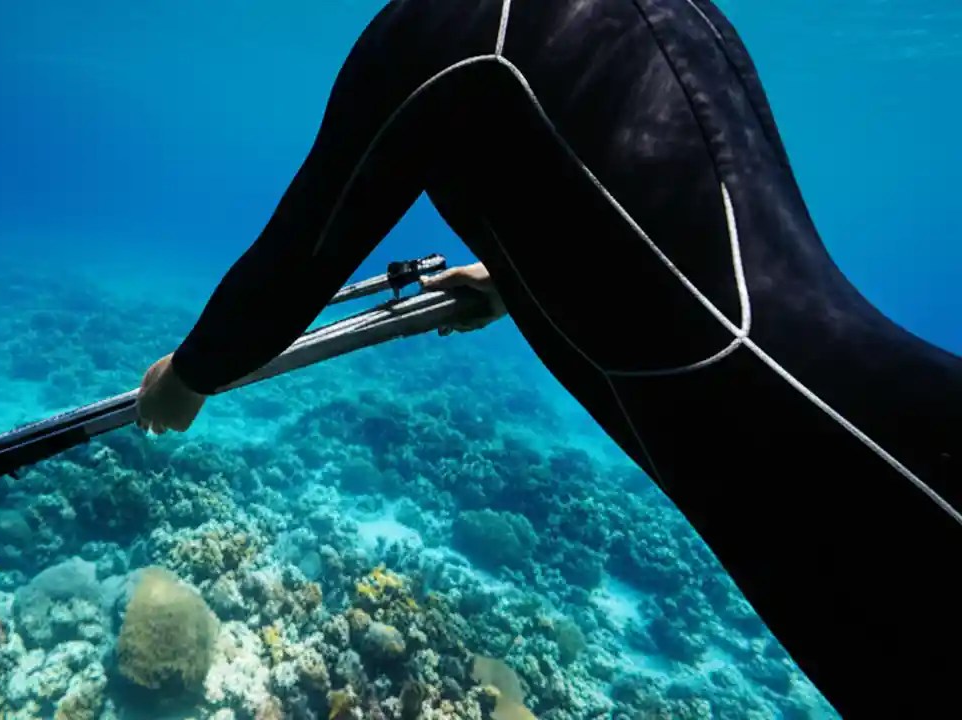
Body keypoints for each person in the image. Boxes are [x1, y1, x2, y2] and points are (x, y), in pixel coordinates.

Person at [135, 0, 961, 714]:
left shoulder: (448, 26)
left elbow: (302, 253)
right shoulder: (686, 14)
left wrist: (193, 372)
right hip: (864, 424)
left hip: (862, 481)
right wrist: (515, 270)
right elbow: (696, 227)